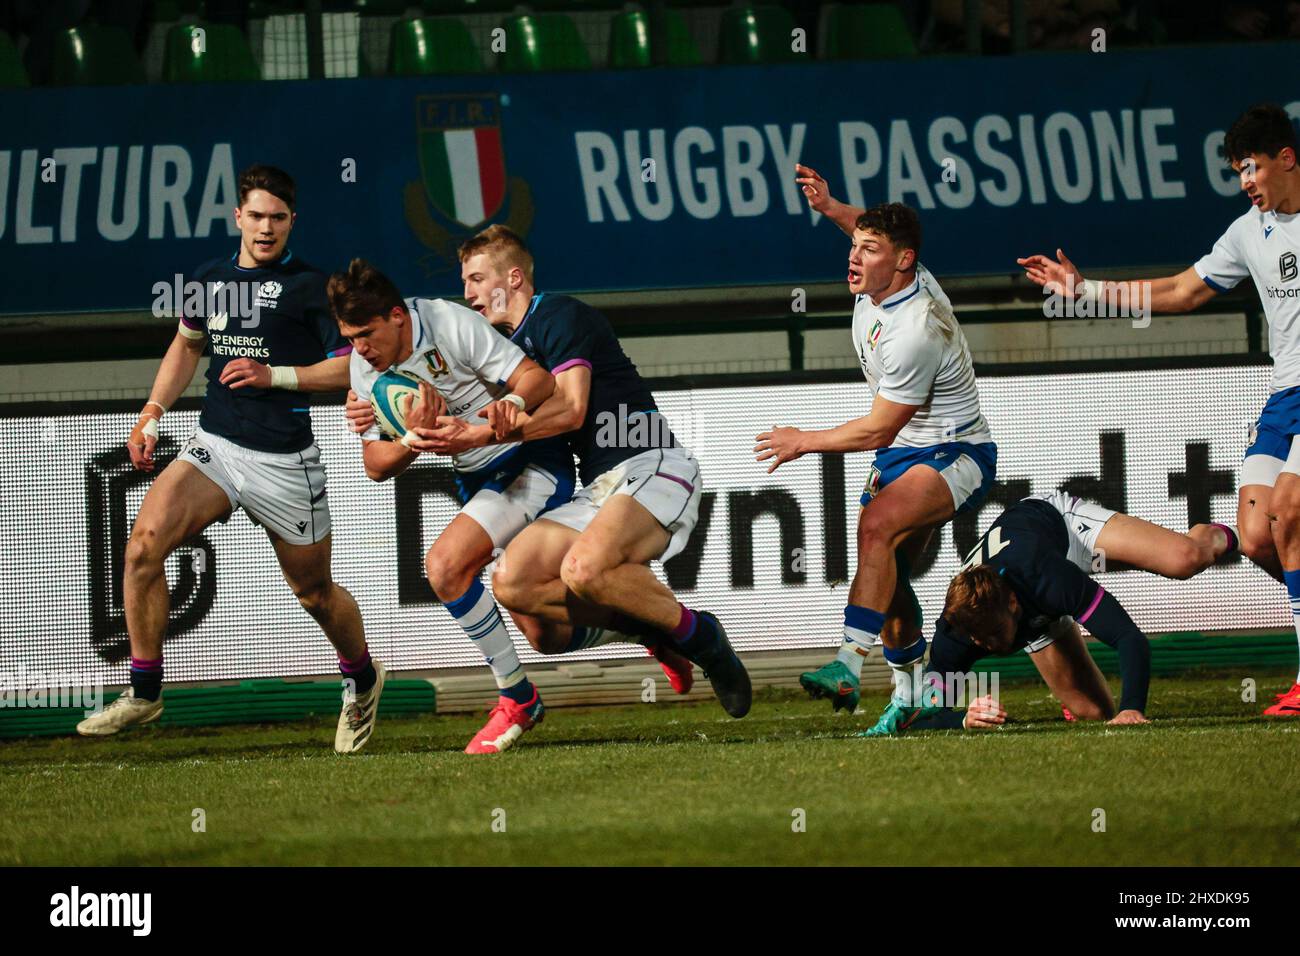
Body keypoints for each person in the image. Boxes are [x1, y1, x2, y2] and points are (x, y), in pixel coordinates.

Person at [76, 165, 382, 753]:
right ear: (238, 216)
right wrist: (152, 412)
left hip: (283, 460)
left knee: (314, 592)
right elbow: (186, 345)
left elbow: (352, 364)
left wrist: (278, 375)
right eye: (257, 216)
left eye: (278, 218)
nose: (266, 228)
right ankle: (144, 690)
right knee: (142, 547)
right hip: (214, 444)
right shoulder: (209, 278)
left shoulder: (312, 287)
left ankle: (363, 679)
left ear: (293, 221)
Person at [1017, 103, 1300, 716]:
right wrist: (1086, 292)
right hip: (1285, 398)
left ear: (1288, 158)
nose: (1246, 182)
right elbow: (1182, 290)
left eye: (1252, 168)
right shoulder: (1250, 232)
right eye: (1237, 172)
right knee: (1255, 538)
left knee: (1288, 511)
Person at [408, 226, 753, 719]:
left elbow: (571, 410)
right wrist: (362, 396)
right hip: (598, 490)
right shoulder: (503, 351)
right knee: (515, 587)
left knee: (582, 570)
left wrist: (478, 434)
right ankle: (656, 625)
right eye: (464, 282)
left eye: (477, 279)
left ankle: (703, 638)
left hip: (648, 463)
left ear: (513, 277)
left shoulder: (559, 315)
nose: (468, 294)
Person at [758, 173, 996, 717]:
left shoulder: (916, 327)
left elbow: (877, 430)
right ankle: (913, 695)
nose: (855, 258)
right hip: (902, 454)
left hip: (955, 453)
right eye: (855, 247)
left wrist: (803, 441)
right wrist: (832, 207)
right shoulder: (882, 281)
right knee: (888, 574)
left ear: (904, 262)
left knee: (876, 526)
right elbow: (868, 233)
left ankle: (846, 664)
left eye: (870, 250)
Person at [330, 258, 569, 754]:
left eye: (367, 334)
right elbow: (375, 464)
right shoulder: (363, 364)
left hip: (528, 461)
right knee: (547, 630)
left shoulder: (450, 323)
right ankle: (659, 629)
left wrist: (512, 406)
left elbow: (539, 381)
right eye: (351, 338)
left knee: (444, 567)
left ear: (398, 316)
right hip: (476, 478)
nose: (361, 349)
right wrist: (411, 441)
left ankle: (518, 699)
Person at [860, 491, 1239, 734]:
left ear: (1011, 605)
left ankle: (1220, 534)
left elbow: (1128, 638)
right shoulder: (959, 630)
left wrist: (1133, 708)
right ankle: (1066, 666)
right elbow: (924, 715)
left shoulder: (1048, 578)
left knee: (1184, 560)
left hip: (1062, 529)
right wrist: (962, 717)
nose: (984, 645)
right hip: (1033, 608)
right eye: (978, 639)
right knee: (1095, 714)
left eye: (991, 634)